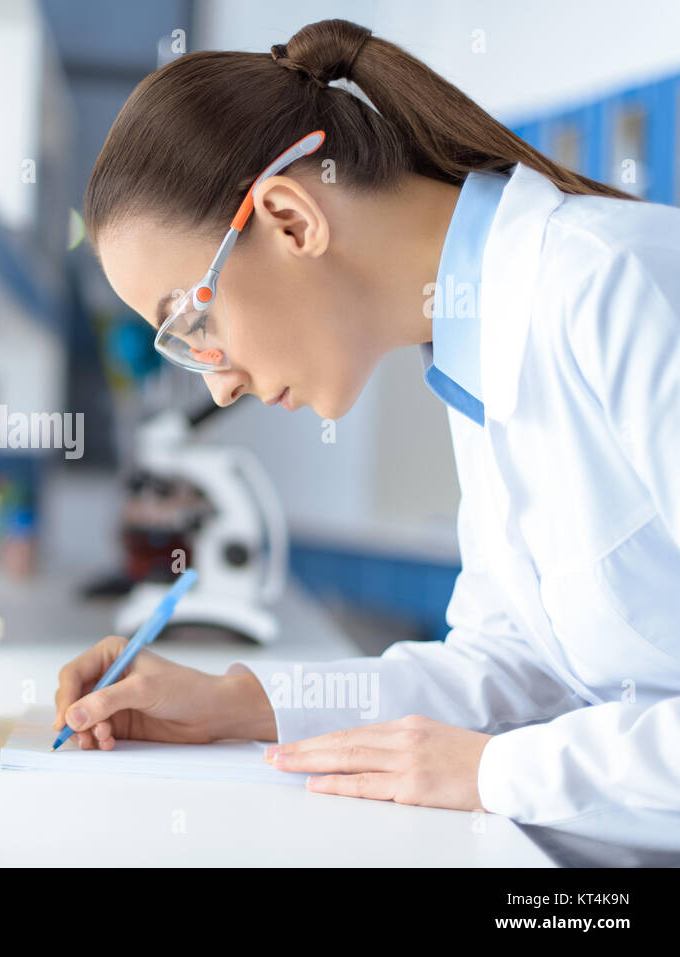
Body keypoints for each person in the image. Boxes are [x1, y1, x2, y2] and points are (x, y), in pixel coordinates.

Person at [56, 18, 680, 849]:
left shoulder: (618, 289)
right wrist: (240, 702)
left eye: (190, 321)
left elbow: (510, 733)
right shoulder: (471, 346)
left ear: (288, 218)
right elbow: (518, 665)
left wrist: (494, 773)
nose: (216, 380)